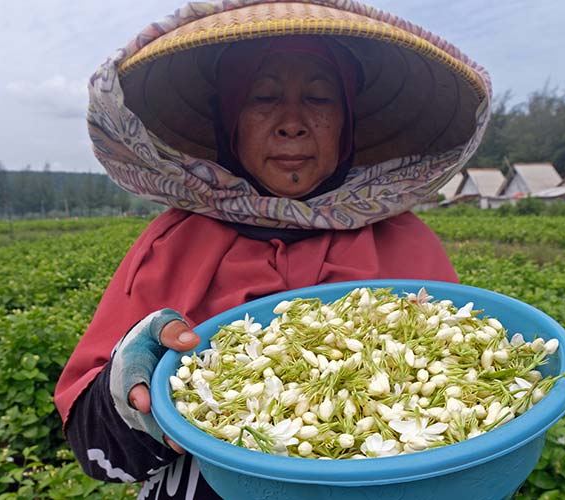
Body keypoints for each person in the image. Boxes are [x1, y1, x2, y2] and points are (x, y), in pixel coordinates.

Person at [54, 1, 491, 498]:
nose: (292, 123)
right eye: (263, 97)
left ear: (346, 123)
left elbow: (469, 413)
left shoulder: (403, 240)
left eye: (319, 98)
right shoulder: (173, 245)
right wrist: (133, 386)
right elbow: (95, 449)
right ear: (229, 123)